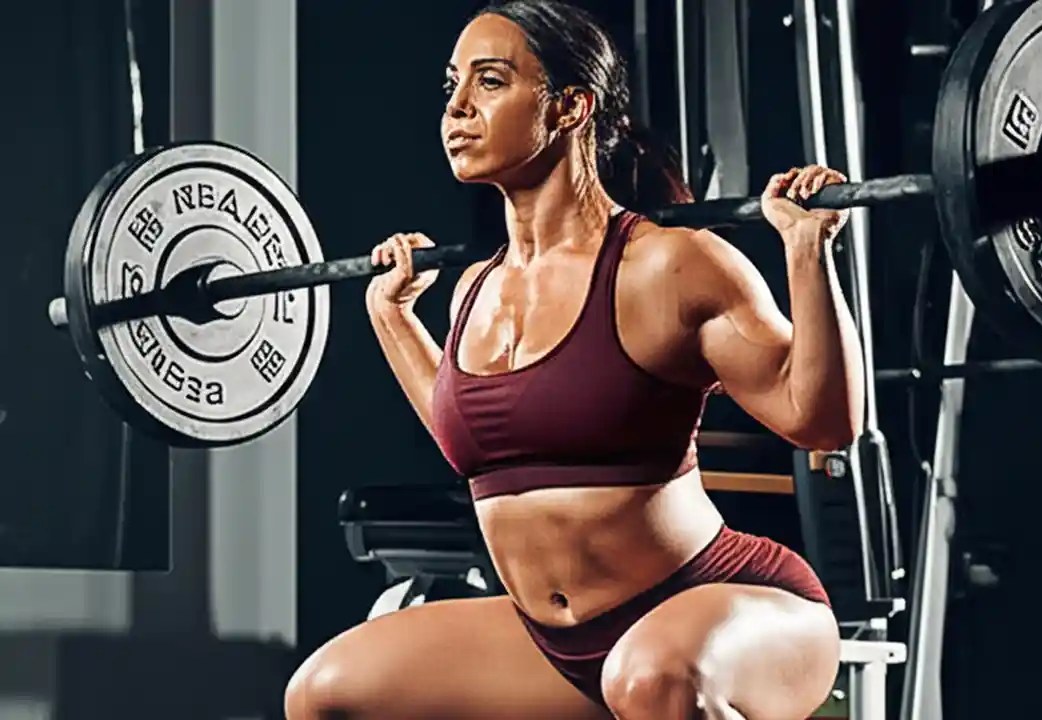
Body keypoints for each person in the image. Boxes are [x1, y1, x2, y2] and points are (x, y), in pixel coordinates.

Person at [285, 1, 864, 718]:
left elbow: (824, 422)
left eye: (490, 82)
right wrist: (392, 316)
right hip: (556, 642)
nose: (457, 108)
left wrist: (807, 252)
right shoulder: (476, 289)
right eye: (451, 86)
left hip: (722, 606)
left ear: (570, 108)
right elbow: (486, 450)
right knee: (323, 694)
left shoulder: (668, 266)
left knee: (649, 681)